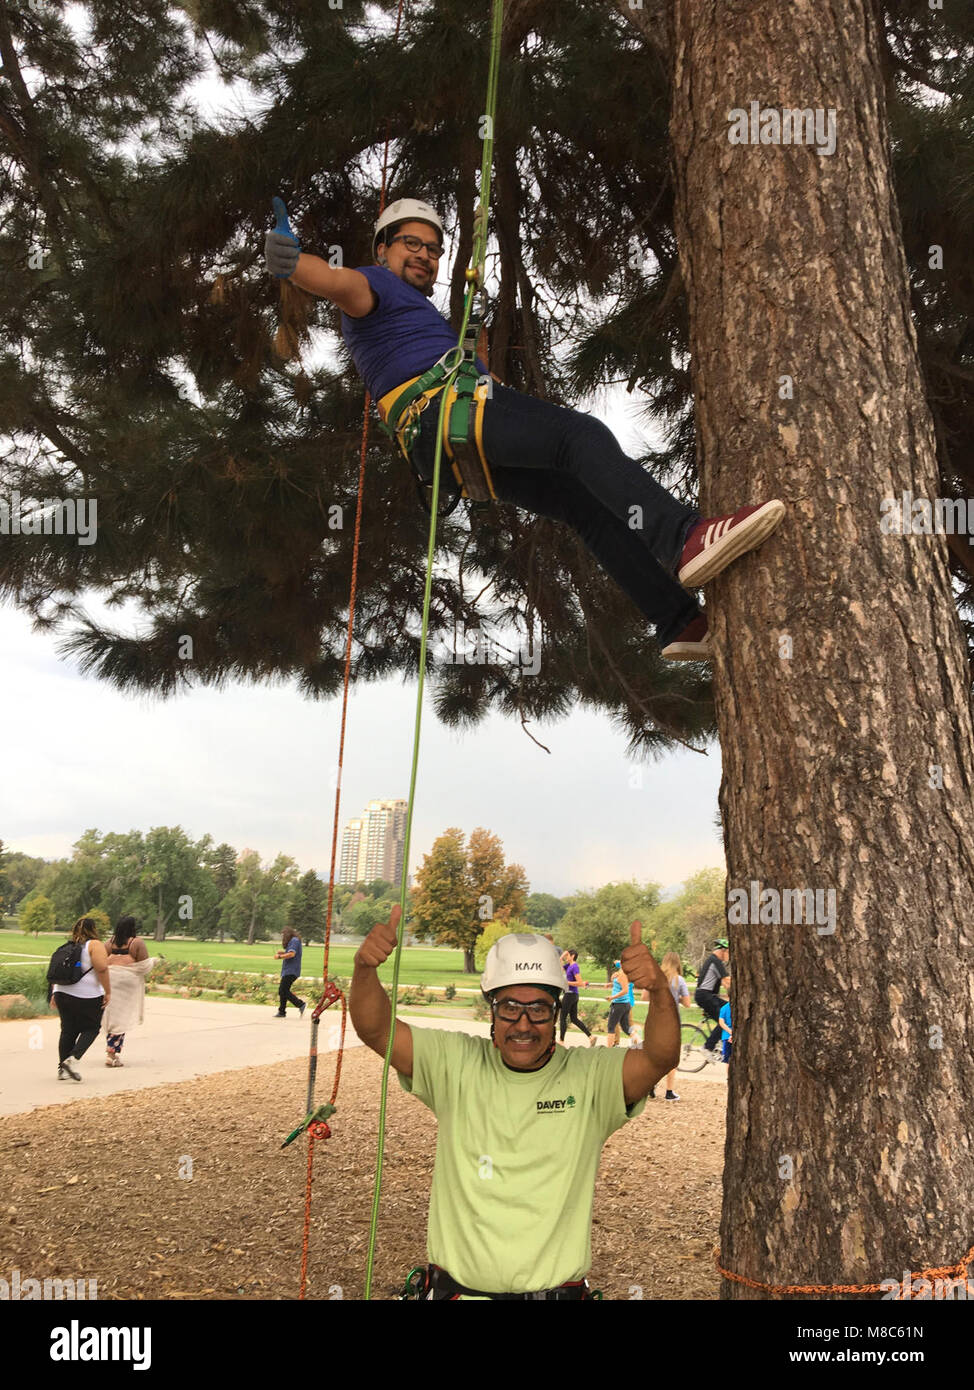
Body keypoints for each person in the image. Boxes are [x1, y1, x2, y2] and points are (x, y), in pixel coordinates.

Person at [264, 199, 786, 661]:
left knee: (582, 503)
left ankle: (678, 621)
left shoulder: (413, 314)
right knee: (576, 438)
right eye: (410, 243)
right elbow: (337, 283)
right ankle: (684, 537)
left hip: (448, 444)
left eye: (433, 247)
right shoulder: (373, 285)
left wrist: (474, 357)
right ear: (382, 250)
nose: (424, 254)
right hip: (448, 413)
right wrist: (294, 264)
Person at [350, 918, 678, 1298]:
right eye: (509, 1007)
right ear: (492, 1010)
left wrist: (659, 990)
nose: (523, 1024)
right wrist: (364, 969)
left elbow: (660, 1055)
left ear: (556, 1013)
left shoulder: (591, 1078)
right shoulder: (455, 1063)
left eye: (538, 1009)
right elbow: (377, 1031)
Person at [51, 917, 110, 1082]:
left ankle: (61, 1070)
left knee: (68, 1030)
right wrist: (108, 991)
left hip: (62, 992)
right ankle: (73, 1059)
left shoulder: (68, 946)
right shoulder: (95, 944)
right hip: (87, 995)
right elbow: (102, 968)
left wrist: (54, 993)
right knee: (91, 1028)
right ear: (94, 929)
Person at [103, 916, 150, 1067]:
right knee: (121, 1018)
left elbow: (102, 960)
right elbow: (144, 963)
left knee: (112, 1017)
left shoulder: (109, 942)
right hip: (126, 983)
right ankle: (112, 1053)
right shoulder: (136, 942)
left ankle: (111, 1051)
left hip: (110, 981)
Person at [660, 952, 692, 1101]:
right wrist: (676, 998)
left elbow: (645, 996)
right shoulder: (679, 980)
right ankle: (669, 1091)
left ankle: (650, 1087)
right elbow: (687, 1003)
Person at [694, 938, 730, 1055]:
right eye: (728, 952)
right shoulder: (715, 961)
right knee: (724, 1019)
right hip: (705, 995)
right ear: (722, 950)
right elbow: (726, 982)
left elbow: (724, 983)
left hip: (708, 995)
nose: (728, 955)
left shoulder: (712, 960)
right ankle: (708, 1047)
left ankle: (719, 1043)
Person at [558, 949, 596, 1046]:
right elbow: (559, 965)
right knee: (574, 1019)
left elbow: (580, 983)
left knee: (562, 1017)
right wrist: (563, 956)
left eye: (568, 956)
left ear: (573, 956)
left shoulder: (574, 966)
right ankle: (591, 1037)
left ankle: (561, 1041)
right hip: (573, 995)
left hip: (570, 994)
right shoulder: (569, 966)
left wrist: (567, 983)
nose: (566, 957)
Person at [273, 928, 306, 1018]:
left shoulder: (294, 940)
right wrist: (283, 952)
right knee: (283, 990)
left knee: (283, 990)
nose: (283, 937)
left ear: (287, 934)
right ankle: (282, 1011)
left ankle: (300, 1004)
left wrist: (280, 956)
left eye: (283, 935)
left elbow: (292, 954)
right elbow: (290, 952)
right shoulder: (294, 940)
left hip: (291, 970)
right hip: (289, 970)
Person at [605, 960, 632, 1047]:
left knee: (611, 1026)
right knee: (626, 1028)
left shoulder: (623, 973)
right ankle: (641, 1043)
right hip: (624, 1004)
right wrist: (611, 983)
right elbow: (620, 984)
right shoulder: (621, 971)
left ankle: (608, 1051)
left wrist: (612, 998)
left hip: (619, 1004)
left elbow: (625, 990)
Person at [719, 983, 732, 1063]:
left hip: (727, 1036)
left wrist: (729, 1031)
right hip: (729, 1036)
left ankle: (729, 1075)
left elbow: (721, 1022)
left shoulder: (724, 1008)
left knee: (728, 1061)